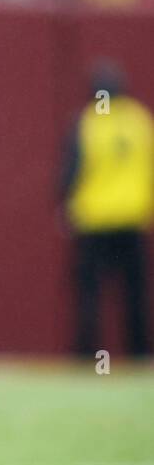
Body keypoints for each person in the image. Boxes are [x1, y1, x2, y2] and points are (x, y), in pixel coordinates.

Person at [60, 61, 153, 357]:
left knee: (90, 294)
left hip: (94, 222)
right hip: (132, 220)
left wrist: (62, 203)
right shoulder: (140, 121)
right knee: (135, 294)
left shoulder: (88, 122)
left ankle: (87, 354)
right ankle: (139, 354)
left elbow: (71, 171)